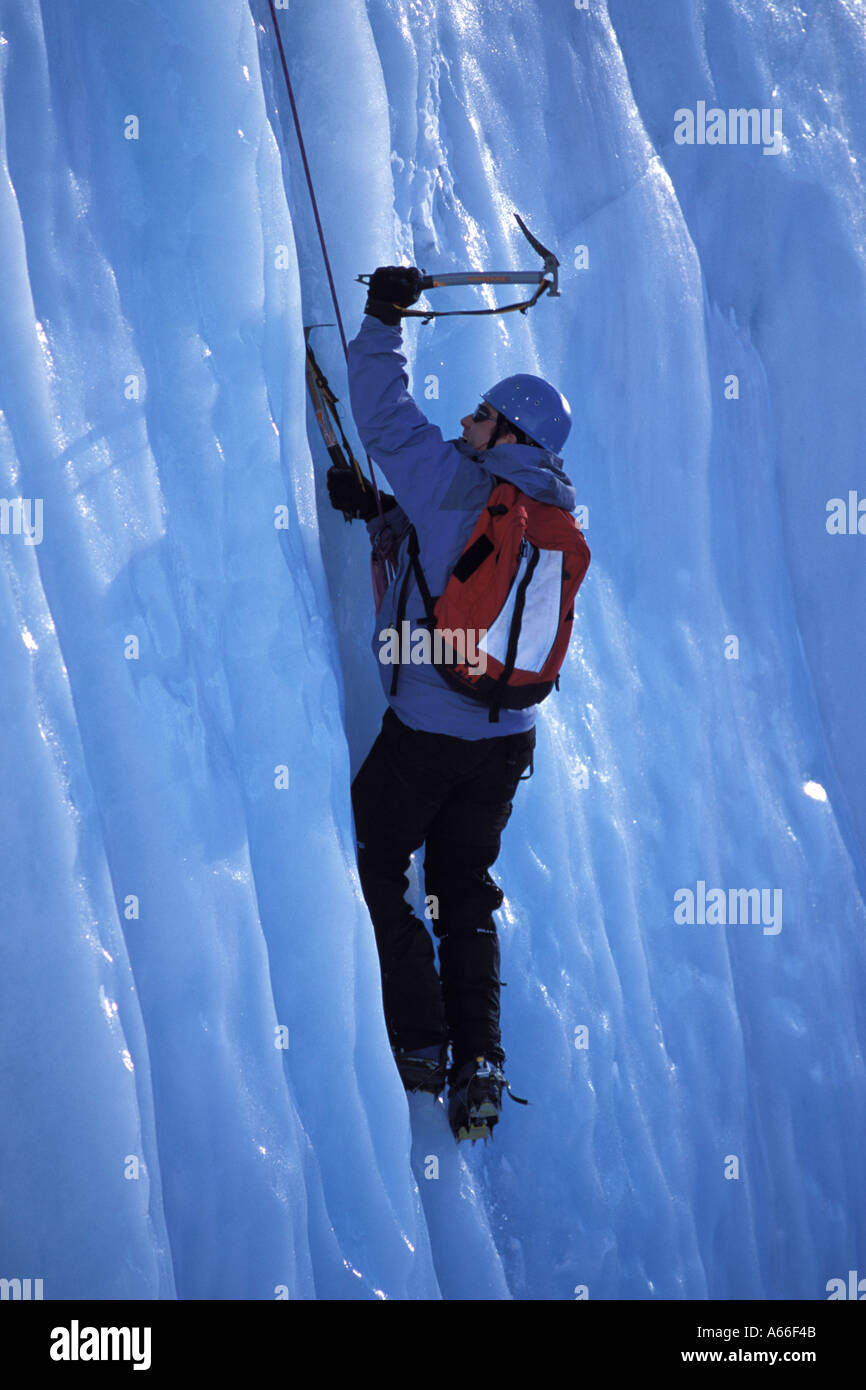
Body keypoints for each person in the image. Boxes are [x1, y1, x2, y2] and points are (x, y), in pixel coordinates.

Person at [328, 265, 582, 1139]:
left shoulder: (455, 480)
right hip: (506, 739)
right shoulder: (551, 515)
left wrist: (383, 315)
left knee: (372, 856)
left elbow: (385, 417)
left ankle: (422, 1042)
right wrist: (381, 519)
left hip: (429, 734)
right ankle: (483, 1062)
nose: (465, 422)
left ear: (506, 430)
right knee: (463, 890)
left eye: (478, 414)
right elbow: (460, 573)